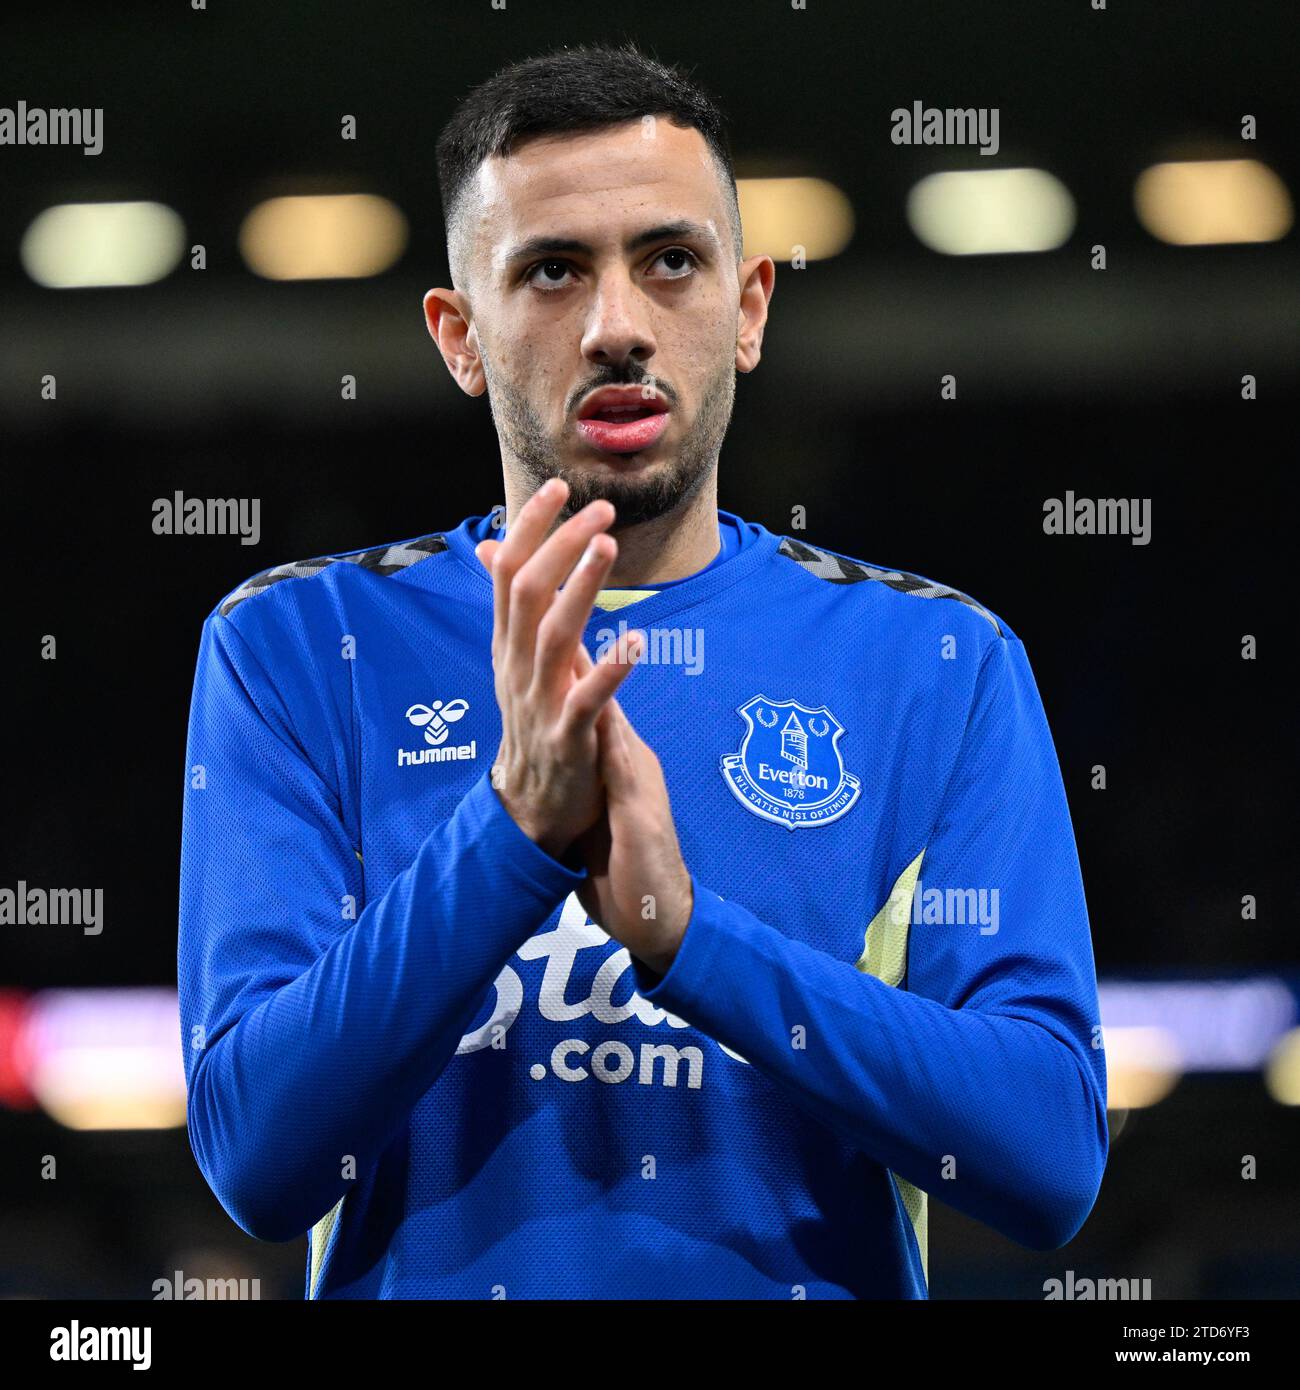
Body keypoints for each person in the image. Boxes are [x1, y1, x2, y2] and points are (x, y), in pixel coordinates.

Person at [178, 41, 1107, 1299]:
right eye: (552, 271)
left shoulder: (937, 662)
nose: (618, 326)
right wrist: (509, 836)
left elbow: (1047, 1160)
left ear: (750, 308)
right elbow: (258, 1156)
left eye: (671, 261)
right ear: (459, 335)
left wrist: (689, 941)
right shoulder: (295, 646)